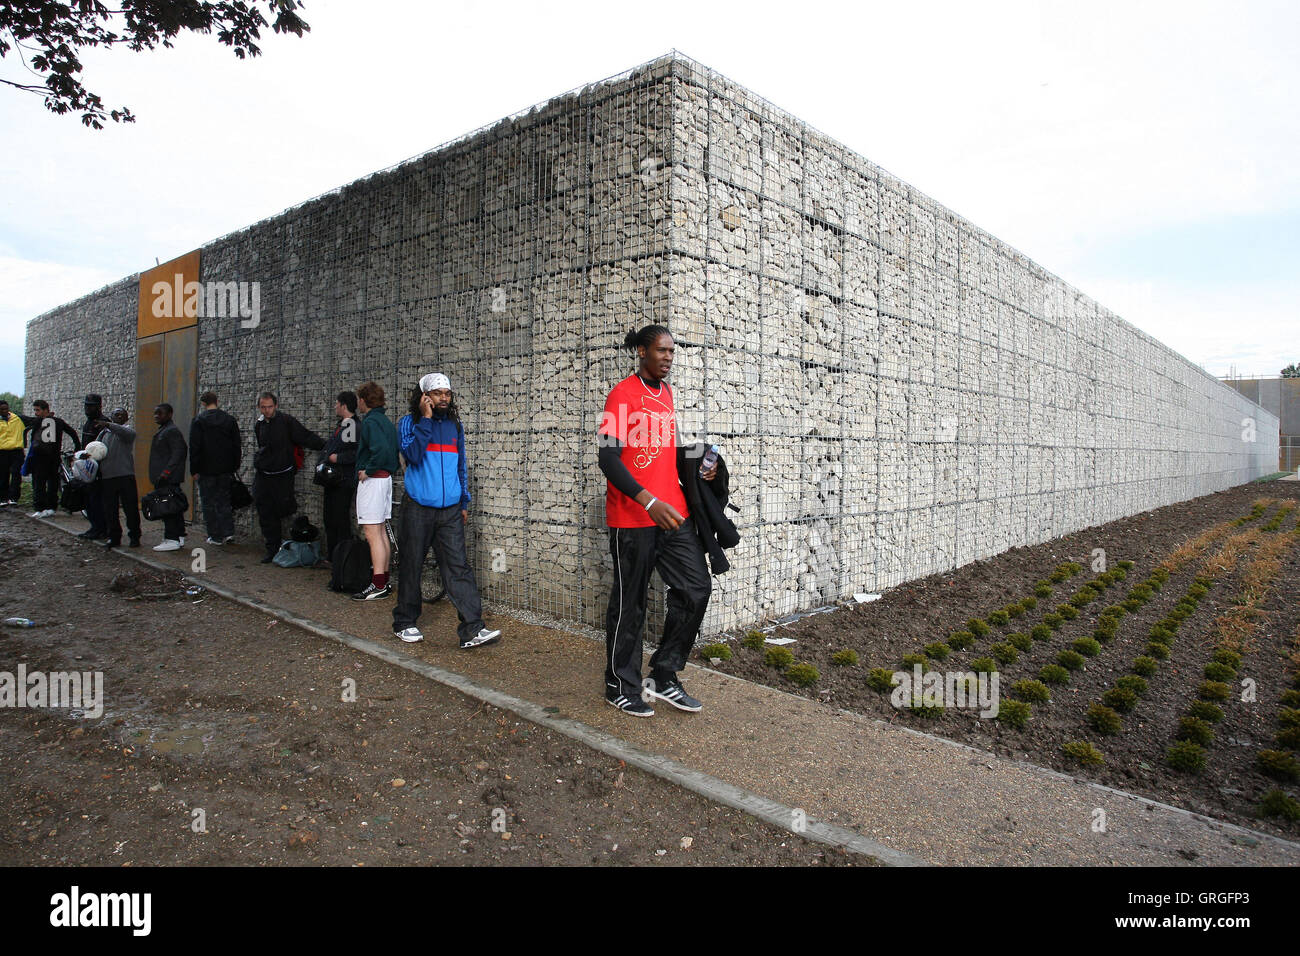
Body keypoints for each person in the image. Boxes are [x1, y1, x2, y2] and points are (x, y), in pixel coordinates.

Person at [597, 325, 714, 717]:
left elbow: (669, 447)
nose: (668, 357)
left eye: (672, 352)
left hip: (672, 515)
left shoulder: (666, 394)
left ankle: (663, 674)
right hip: (633, 517)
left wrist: (707, 461)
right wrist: (647, 501)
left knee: (695, 588)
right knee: (630, 603)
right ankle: (620, 684)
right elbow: (608, 458)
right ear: (642, 352)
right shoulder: (622, 395)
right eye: (661, 351)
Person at [391, 372, 500, 648]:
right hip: (418, 507)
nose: (443, 398)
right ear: (425, 397)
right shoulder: (408, 423)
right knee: (412, 563)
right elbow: (413, 456)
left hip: (450, 510)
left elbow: (460, 466)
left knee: (458, 567)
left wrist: (463, 501)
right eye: (437, 393)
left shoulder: (455, 426)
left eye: (447, 393)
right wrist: (425, 420)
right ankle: (405, 622)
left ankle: (472, 629)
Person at [252, 392, 324, 563]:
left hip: (282, 474)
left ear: (275, 406)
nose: (267, 410)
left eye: (269, 407)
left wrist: (325, 446)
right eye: (263, 407)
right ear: (259, 408)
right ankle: (272, 548)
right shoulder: (259, 424)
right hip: (264, 474)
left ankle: (285, 545)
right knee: (265, 511)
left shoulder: (286, 421)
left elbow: (304, 436)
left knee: (283, 509)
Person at [351, 382, 398, 600]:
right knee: (380, 531)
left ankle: (378, 584)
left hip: (374, 480)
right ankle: (384, 580)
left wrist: (367, 471)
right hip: (385, 479)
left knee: (372, 533)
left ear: (363, 400)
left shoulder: (370, 422)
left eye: (359, 399)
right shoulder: (385, 421)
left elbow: (379, 450)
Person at [189, 391, 241, 545]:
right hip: (225, 468)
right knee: (224, 501)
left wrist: (194, 469)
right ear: (217, 401)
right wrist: (234, 465)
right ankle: (229, 532)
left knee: (208, 503)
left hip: (206, 469)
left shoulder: (198, 421)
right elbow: (236, 445)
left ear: (203, 404)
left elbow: (194, 447)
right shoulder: (229, 420)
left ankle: (215, 535)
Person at [20, 400, 80, 518]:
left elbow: (72, 433)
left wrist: (77, 447)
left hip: (43, 458)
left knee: (41, 483)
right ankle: (49, 507)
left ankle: (42, 508)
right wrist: (77, 447)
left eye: (38, 410)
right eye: (35, 410)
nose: (36, 413)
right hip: (50, 457)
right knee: (50, 482)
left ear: (45, 410)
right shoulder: (56, 422)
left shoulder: (42, 422)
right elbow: (72, 433)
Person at [319, 390, 359, 564]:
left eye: (337, 403)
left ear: (343, 405)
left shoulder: (350, 425)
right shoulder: (344, 425)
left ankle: (341, 556)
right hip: (335, 480)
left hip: (341, 480)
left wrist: (338, 458)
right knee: (331, 517)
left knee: (338, 518)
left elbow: (353, 451)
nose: (335, 406)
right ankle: (334, 555)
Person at [95, 408, 141, 549]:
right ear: (111, 416)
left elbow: (126, 433)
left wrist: (108, 425)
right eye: (116, 414)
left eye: (122, 415)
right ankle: (114, 537)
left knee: (131, 508)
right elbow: (95, 449)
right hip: (108, 477)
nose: (119, 416)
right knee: (110, 510)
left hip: (125, 476)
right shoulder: (103, 434)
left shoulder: (127, 431)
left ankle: (134, 536)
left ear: (126, 418)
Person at [149, 403, 189, 551]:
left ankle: (172, 538)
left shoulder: (171, 431)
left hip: (168, 478)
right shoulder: (165, 430)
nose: (156, 416)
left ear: (170, 414)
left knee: (168, 507)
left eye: (160, 413)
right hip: (166, 477)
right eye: (155, 413)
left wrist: (166, 473)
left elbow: (179, 452)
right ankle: (178, 535)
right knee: (174, 507)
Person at [78, 393, 109, 540]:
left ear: (99, 407)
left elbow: (104, 448)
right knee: (89, 501)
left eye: (91, 406)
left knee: (98, 501)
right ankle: (94, 527)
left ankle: (101, 528)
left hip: (99, 470)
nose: (87, 409)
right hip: (88, 468)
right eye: (86, 406)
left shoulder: (103, 423)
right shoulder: (88, 422)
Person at [0, 399, 24, 506]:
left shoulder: (17, 419)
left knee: (16, 474)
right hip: (2, 452)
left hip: (16, 451)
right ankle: (3, 498)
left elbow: (35, 421)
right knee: (3, 475)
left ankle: (14, 497)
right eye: (2, 409)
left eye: (6, 408)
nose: (5, 411)